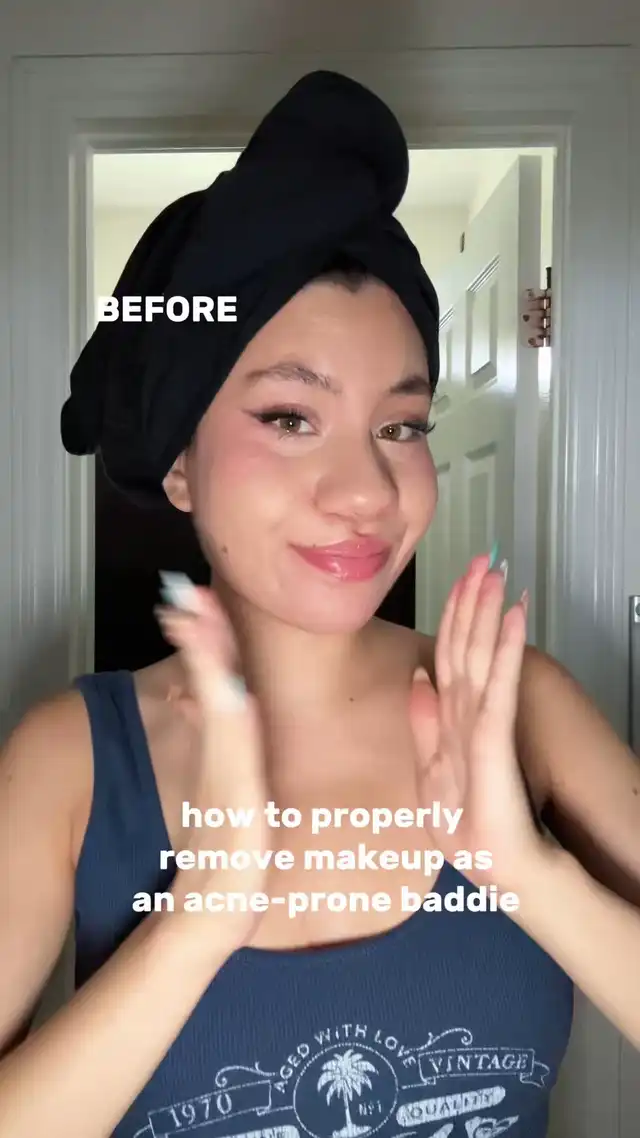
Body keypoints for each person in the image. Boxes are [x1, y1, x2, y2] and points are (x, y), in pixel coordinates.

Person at [0, 70, 638, 1138]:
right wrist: (198, 922)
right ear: (181, 464)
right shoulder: (71, 761)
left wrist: (525, 872)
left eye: (401, 426)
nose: (368, 492)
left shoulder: (514, 705)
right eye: (291, 418)